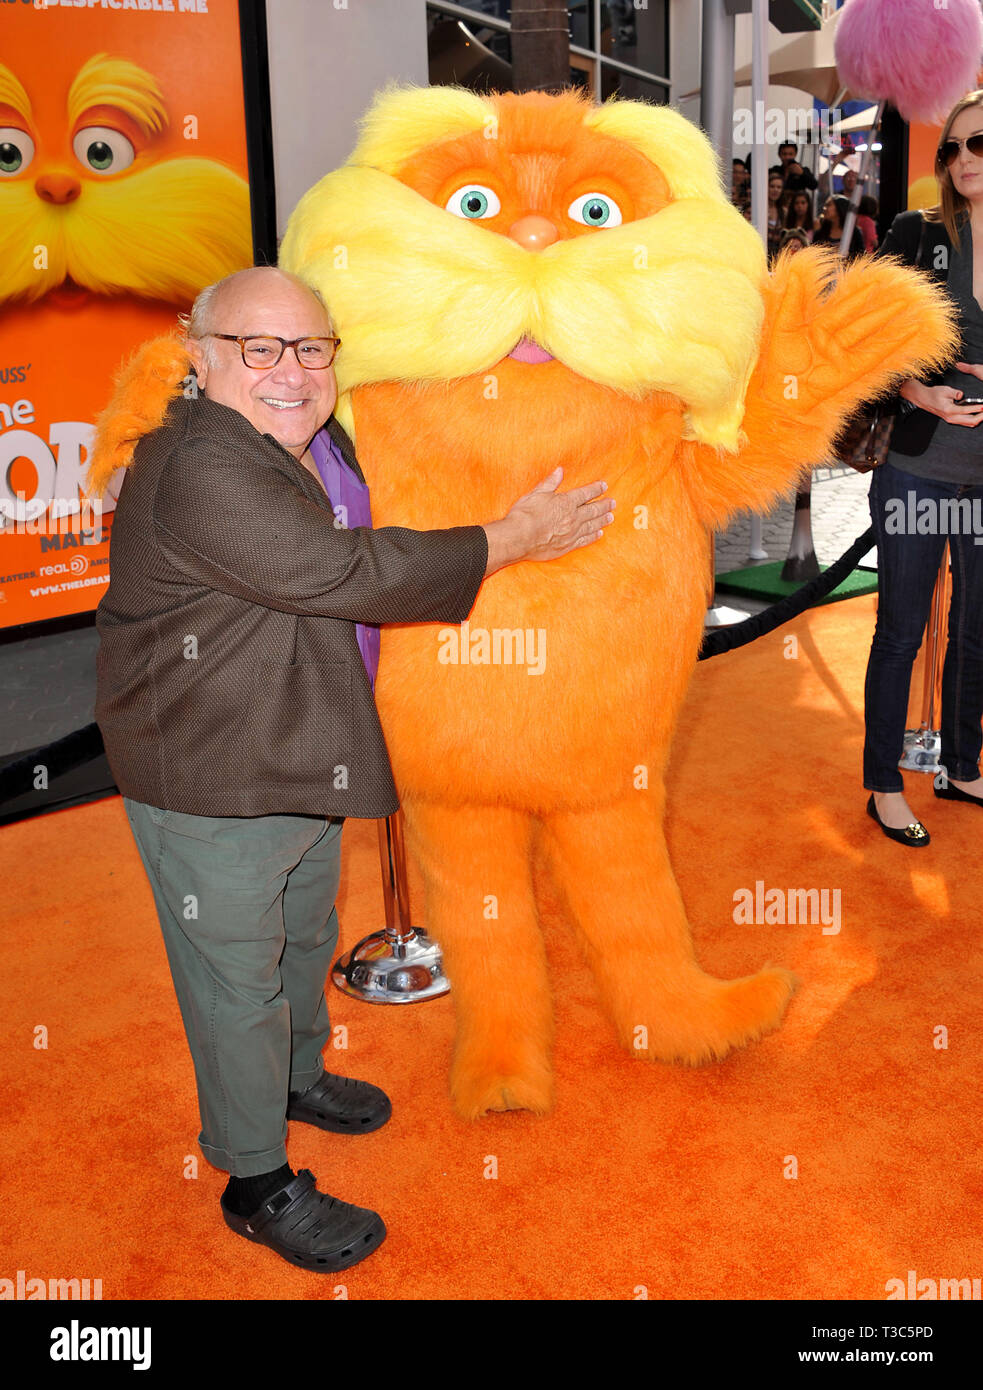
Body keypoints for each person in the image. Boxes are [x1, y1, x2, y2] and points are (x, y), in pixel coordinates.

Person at [93, 265, 615, 1270]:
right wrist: (512, 538)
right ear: (197, 355)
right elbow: (341, 571)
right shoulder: (201, 462)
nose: (290, 370)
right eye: (259, 348)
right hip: (209, 766)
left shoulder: (302, 430)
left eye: (310, 347)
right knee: (235, 978)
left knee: (300, 938)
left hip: (293, 740)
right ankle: (254, 1178)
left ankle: (290, 1081)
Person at [863, 89, 983, 845]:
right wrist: (917, 389)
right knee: (901, 628)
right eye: (953, 149)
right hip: (918, 466)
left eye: (979, 144)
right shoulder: (916, 234)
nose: (965, 159)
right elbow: (860, 342)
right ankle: (881, 784)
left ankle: (961, 765)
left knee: (977, 628)